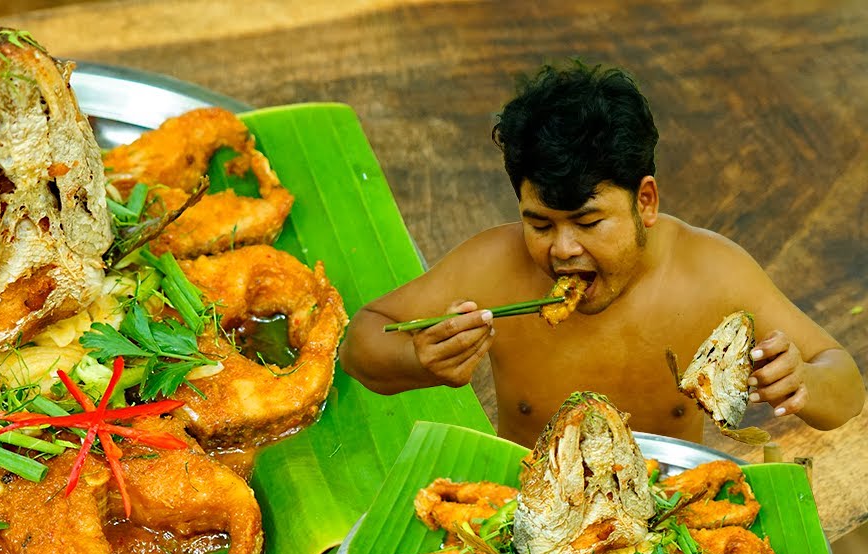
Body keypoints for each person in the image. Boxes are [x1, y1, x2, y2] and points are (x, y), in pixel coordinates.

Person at [340, 61, 864, 449]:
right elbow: (361, 340)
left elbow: (846, 386)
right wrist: (418, 360)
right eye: (539, 223)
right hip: (527, 526)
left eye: (589, 223)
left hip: (668, 526)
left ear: (646, 201)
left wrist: (802, 382)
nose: (563, 250)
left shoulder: (712, 273)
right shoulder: (492, 268)